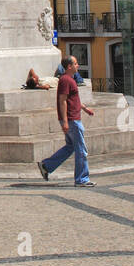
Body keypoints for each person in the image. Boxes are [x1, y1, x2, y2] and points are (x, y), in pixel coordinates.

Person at [37, 57, 97, 186]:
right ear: (69, 66)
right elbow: (62, 100)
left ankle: (46, 166)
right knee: (81, 149)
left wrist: (85, 109)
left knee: (71, 147)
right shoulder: (65, 80)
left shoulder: (70, 80)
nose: (78, 66)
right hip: (72, 120)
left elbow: (73, 99)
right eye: (75, 63)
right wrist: (64, 121)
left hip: (72, 118)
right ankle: (82, 179)